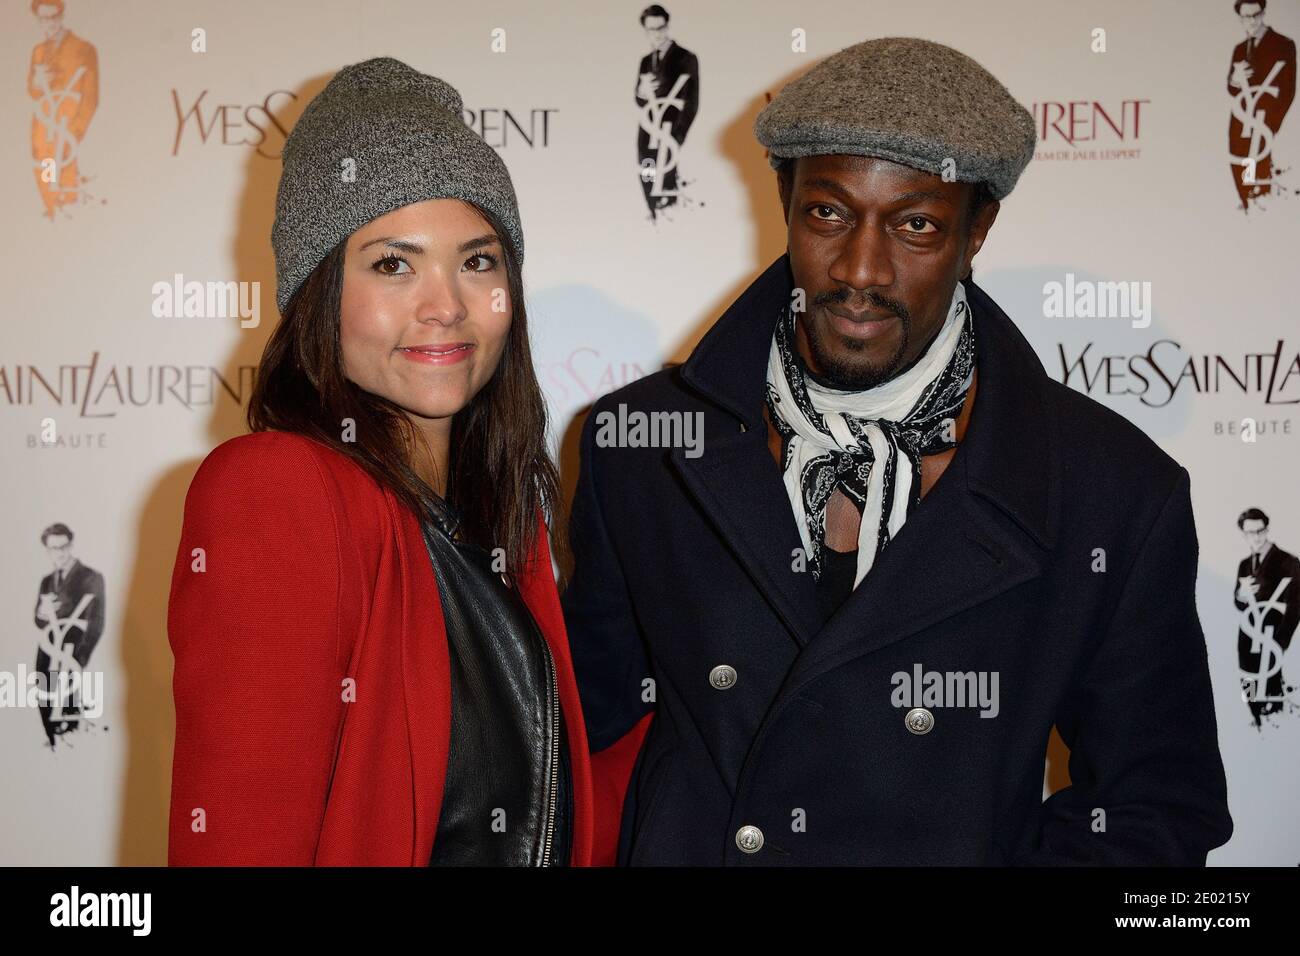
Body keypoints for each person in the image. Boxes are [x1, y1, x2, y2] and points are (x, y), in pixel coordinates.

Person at [564, 37, 1234, 865]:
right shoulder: (643, 445)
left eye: (915, 224)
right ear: (785, 203)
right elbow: (570, 723)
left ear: (977, 230)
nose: (860, 269)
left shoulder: (1110, 491)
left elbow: (1155, 808)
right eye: (829, 213)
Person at [167, 57, 593, 866]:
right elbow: (241, 839)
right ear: (319, 293)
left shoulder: (506, 525)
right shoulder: (276, 491)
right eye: (392, 264)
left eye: (478, 260)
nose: (446, 306)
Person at [33, 522, 105, 748]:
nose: (60, 553)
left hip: (76, 646)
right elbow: (38, 619)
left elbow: (97, 620)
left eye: (63, 547)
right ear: (47, 550)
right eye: (54, 548)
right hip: (49, 646)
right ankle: (51, 736)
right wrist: (42, 614)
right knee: (44, 686)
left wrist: (82, 655)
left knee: (71, 697)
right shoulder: (47, 581)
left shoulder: (91, 577)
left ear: (71, 545)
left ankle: (71, 735)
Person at [1233, 508, 1299, 726]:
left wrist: (1282, 640)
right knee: (1248, 678)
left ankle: (1274, 719)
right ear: (1243, 534)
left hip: (1274, 634)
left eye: (1260, 531)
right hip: (1249, 634)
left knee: (1271, 681)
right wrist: (1241, 596)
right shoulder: (1244, 564)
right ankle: (1253, 714)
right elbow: (1238, 601)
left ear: (1267, 529)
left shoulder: (1288, 562)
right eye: (1250, 532)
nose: (1256, 537)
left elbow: (1296, 605)